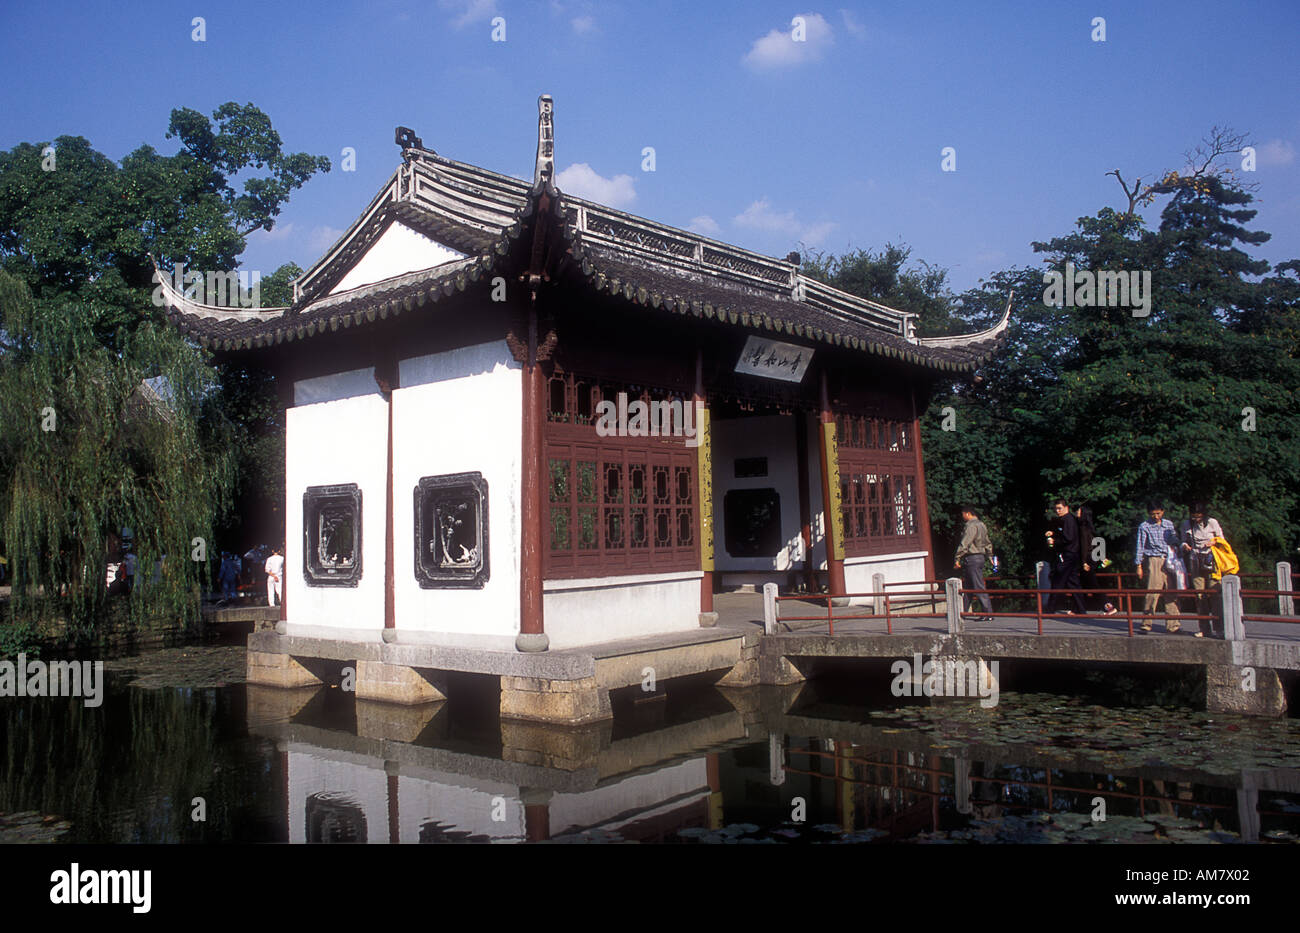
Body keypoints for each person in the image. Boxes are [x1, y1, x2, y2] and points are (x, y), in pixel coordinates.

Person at [1134, 502, 1180, 633]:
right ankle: (1146, 622)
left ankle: (1173, 624)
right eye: (1153, 514)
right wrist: (1139, 565)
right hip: (1154, 559)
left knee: (1171, 591)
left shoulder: (1168, 524)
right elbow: (1140, 546)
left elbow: (1174, 540)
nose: (1156, 516)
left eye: (1158, 513)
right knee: (1153, 591)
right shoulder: (1145, 526)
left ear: (1163, 512)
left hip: (1170, 559)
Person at [1181, 503, 1225, 638]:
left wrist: (1213, 542)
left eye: (1199, 517)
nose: (1197, 519)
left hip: (1211, 559)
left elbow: (1222, 540)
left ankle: (1219, 628)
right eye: (1194, 517)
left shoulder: (1212, 523)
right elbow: (1183, 540)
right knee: (1200, 595)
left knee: (1215, 594)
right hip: (1195, 560)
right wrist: (1185, 545)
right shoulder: (1186, 524)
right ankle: (1204, 628)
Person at [1045, 499, 1085, 615]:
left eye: (1059, 508)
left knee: (1057, 580)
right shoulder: (1065, 520)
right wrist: (1053, 534)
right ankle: (1080, 609)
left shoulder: (1068, 520)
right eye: (1056, 509)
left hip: (1068, 554)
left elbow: (1068, 538)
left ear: (1066, 507)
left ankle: (1050, 609)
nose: (1057, 511)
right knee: (1073, 582)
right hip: (1071, 554)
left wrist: (1054, 541)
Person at [954, 505, 994, 621]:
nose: (962, 517)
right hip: (980, 557)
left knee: (977, 586)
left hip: (972, 557)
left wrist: (957, 557)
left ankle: (988, 613)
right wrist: (989, 555)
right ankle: (963, 612)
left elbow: (965, 542)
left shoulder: (971, 526)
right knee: (969, 587)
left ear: (967, 513)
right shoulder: (982, 525)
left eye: (963, 514)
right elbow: (987, 542)